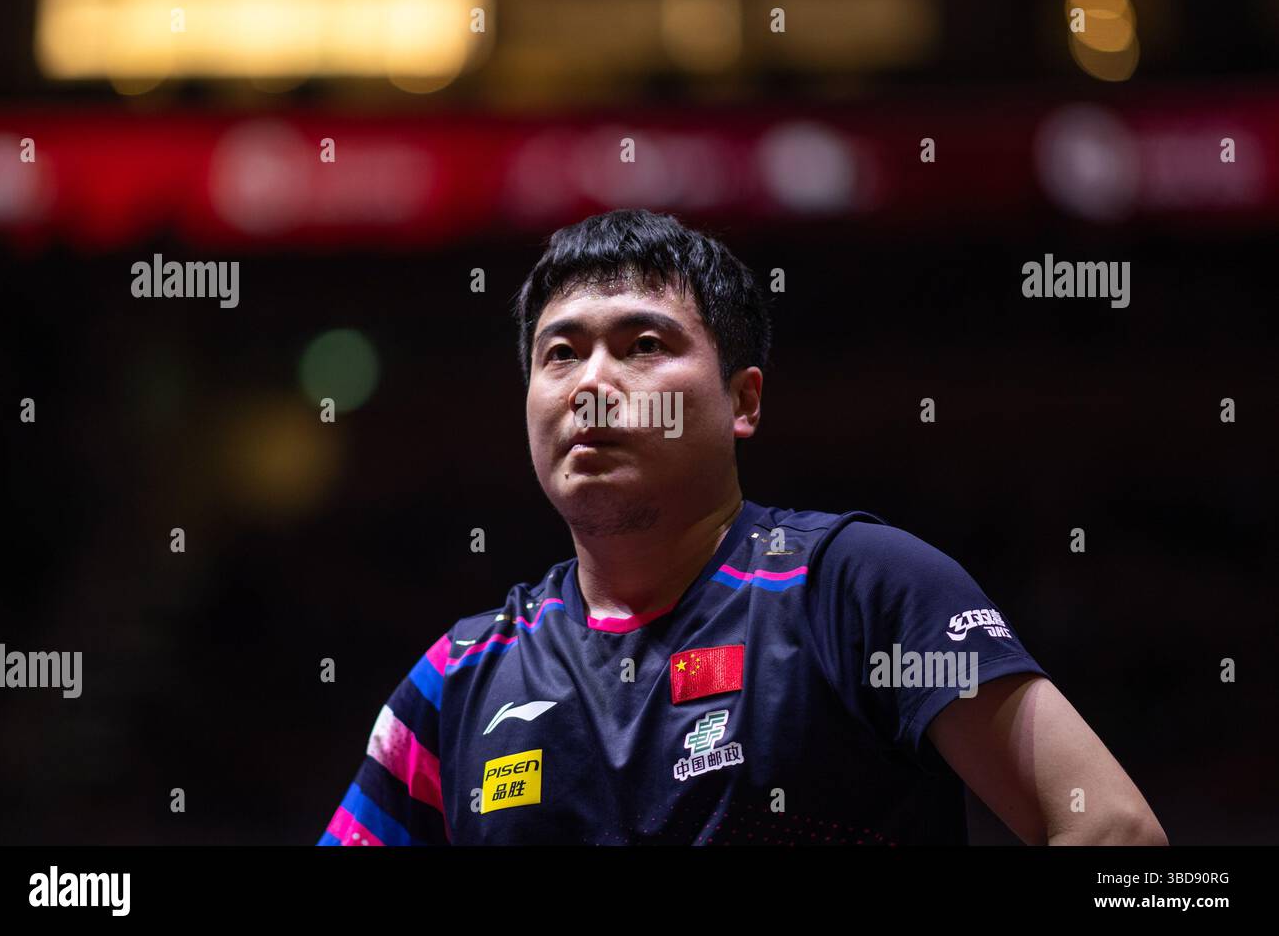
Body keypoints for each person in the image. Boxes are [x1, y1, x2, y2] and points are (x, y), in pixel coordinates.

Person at [318, 208, 1167, 846]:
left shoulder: (857, 589)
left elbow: (1114, 830)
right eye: (560, 353)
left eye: (643, 344)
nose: (591, 383)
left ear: (743, 401)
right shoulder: (454, 681)